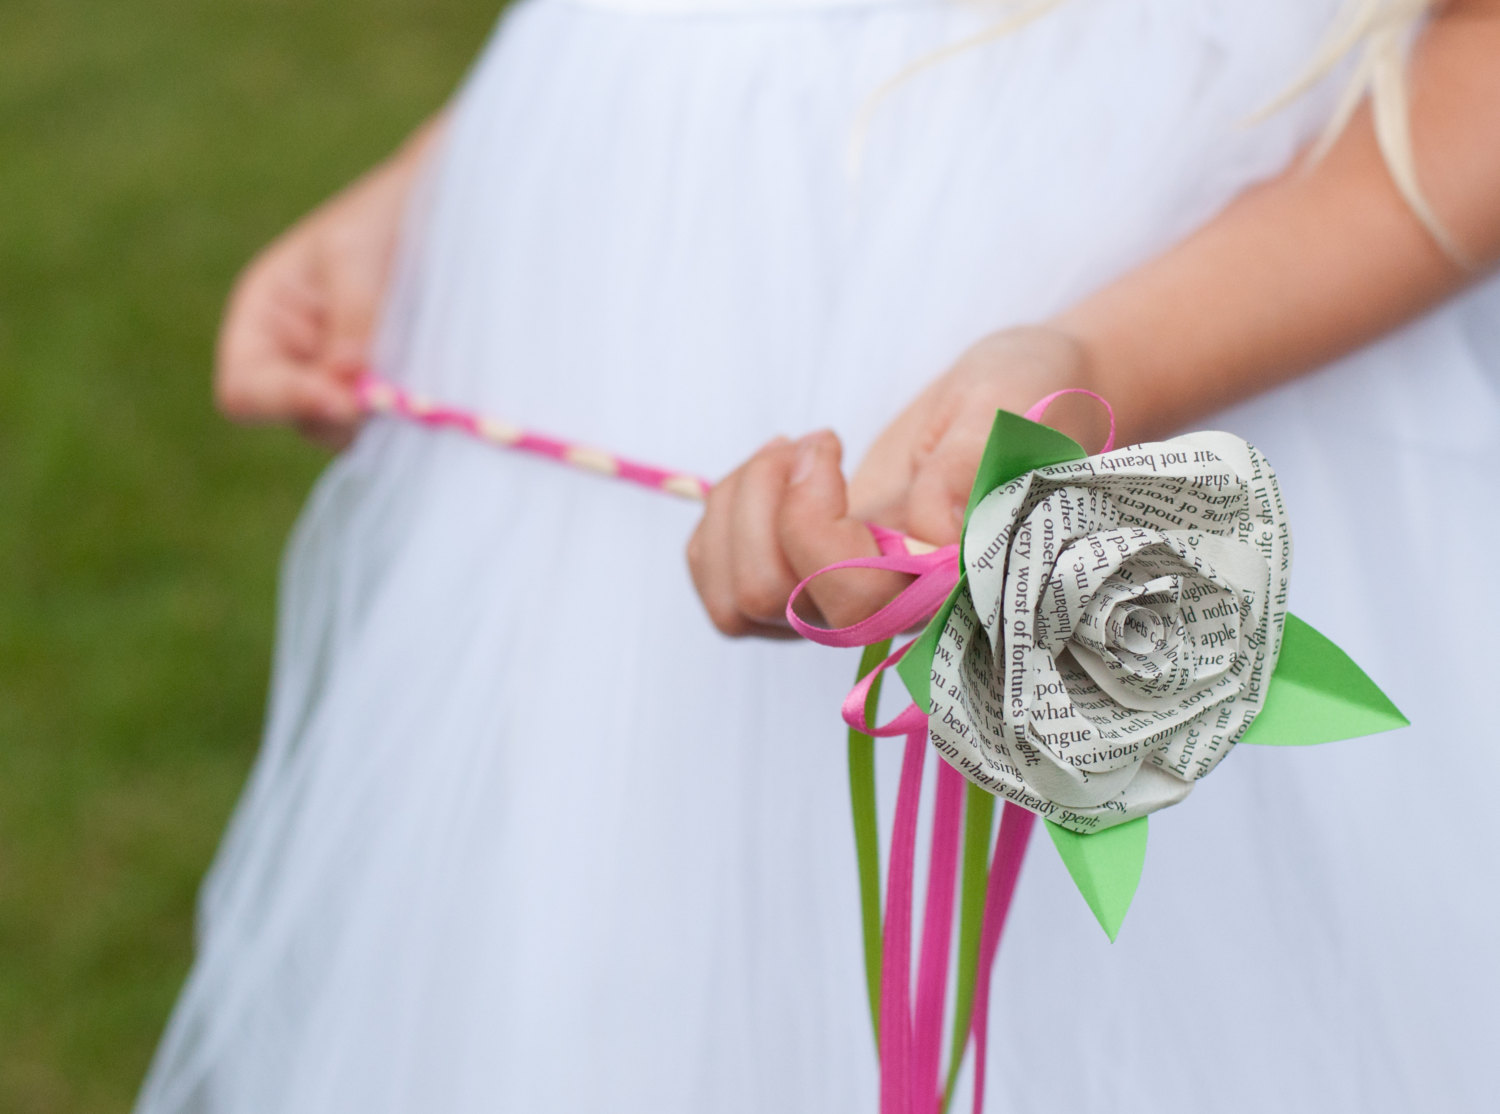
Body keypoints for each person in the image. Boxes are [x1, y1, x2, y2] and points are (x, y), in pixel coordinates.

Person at [140, 0, 1500, 1110]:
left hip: (1178, 275)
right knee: (612, 957)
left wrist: (1099, 370)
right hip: (645, 234)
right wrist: (435, 186)